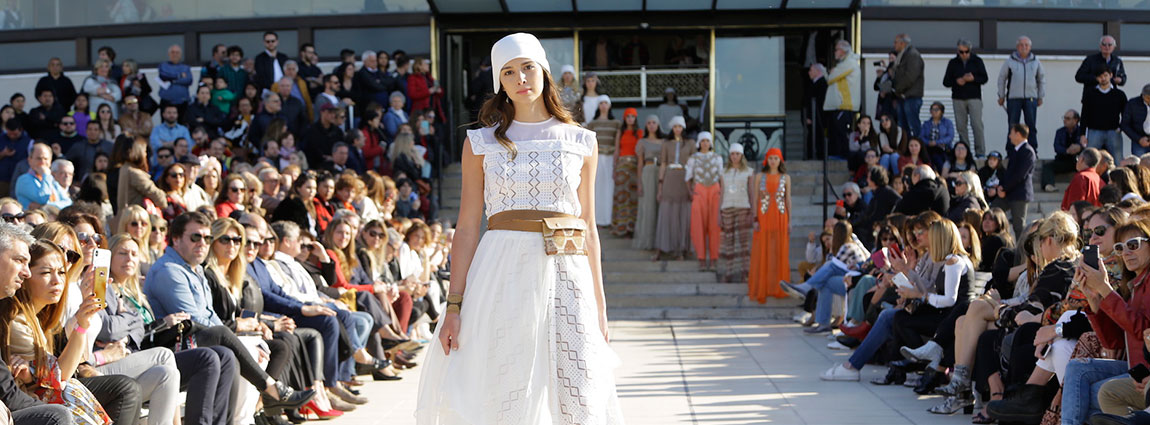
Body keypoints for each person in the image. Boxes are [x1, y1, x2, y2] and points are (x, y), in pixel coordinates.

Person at [414, 33, 623, 423]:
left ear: (543, 69)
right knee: (504, 383)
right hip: (502, 272)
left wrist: (600, 305)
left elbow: (590, 228)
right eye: (508, 71)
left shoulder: (581, 140)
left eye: (527, 66)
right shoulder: (480, 142)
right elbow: (466, 227)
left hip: (567, 273)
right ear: (499, 81)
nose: (520, 78)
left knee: (578, 389)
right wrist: (454, 306)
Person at [143, 212, 315, 413]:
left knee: (258, 347)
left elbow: (211, 316)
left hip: (201, 339)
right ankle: (271, 390)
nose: (202, 243)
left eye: (207, 238)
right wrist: (237, 340)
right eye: (195, 237)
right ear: (176, 239)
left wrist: (239, 340)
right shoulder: (169, 271)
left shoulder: (194, 269)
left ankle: (252, 411)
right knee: (231, 348)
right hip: (172, 346)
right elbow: (195, 320)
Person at [0, 240, 112, 425]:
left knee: (124, 386)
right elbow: (61, 376)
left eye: (61, 272)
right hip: (26, 407)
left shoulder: (37, 317)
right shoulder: (16, 322)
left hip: (38, 400)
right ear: (26, 278)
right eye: (46, 272)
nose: (57, 281)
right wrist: (81, 325)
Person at [747, 148, 790, 303]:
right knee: (763, 249)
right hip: (764, 215)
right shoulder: (760, 176)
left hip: (780, 216)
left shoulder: (785, 177)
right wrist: (755, 218)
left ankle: (778, 287)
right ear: (766, 160)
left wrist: (789, 220)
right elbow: (756, 198)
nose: (773, 161)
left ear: (780, 160)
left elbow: (787, 200)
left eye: (776, 158)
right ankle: (763, 287)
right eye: (771, 158)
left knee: (779, 250)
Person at [654, 116, 693, 261]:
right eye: (675, 126)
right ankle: (663, 248)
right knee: (667, 213)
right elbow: (663, 163)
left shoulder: (690, 144)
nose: (678, 129)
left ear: (683, 128)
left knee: (683, 214)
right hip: (669, 178)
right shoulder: (666, 143)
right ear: (672, 128)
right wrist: (660, 185)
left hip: (684, 178)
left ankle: (681, 249)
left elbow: (693, 164)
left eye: (680, 126)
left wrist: (692, 185)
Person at [997, 36, 1045, 150]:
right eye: (1021, 45)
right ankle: (1011, 151)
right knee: (1013, 126)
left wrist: (1040, 96)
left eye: (1026, 45)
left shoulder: (1036, 62)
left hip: (1031, 98)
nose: (1024, 47)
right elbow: (1002, 79)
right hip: (1014, 98)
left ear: (1030, 47)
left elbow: (1041, 79)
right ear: (1017, 47)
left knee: (1031, 126)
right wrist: (1001, 95)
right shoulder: (1009, 61)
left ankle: (1032, 150)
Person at [943, 39, 989, 157]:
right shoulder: (953, 63)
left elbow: (984, 78)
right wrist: (956, 81)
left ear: (970, 50)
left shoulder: (977, 61)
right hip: (958, 98)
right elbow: (946, 82)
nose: (963, 54)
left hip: (974, 97)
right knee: (961, 127)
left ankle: (980, 153)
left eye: (966, 51)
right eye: (961, 52)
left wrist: (973, 79)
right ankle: (965, 153)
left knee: (977, 125)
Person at [686, 131, 722, 271]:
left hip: (715, 191)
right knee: (698, 225)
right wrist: (691, 192)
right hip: (699, 190)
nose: (705, 143)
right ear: (699, 143)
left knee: (715, 226)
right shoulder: (693, 158)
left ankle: (713, 259)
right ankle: (701, 258)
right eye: (702, 141)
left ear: (710, 143)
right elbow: (688, 177)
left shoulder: (717, 158)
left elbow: (721, 177)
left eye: (707, 141)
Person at [718, 143, 753, 283]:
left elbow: (751, 192)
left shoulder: (749, 171)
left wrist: (753, 212)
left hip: (743, 207)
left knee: (743, 242)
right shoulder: (723, 172)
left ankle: (745, 272)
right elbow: (721, 193)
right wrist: (718, 212)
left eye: (737, 154)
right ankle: (728, 272)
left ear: (742, 155)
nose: (735, 156)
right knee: (728, 242)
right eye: (732, 154)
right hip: (726, 208)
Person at [585, 95, 620, 227]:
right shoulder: (592, 124)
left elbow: (617, 143)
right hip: (597, 158)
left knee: (609, 187)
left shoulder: (616, 123)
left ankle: (609, 219)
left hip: (610, 158)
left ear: (609, 105)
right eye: (601, 103)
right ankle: (597, 220)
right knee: (597, 188)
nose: (604, 105)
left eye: (606, 103)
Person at [823, 40, 860, 159]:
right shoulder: (844, 63)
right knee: (835, 131)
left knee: (841, 132)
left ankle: (843, 156)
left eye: (836, 49)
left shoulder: (849, 63)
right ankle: (836, 155)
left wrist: (827, 72)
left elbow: (830, 78)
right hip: (840, 106)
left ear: (843, 51)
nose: (835, 52)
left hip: (845, 105)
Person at [1082, 66, 1127, 159]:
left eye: (1105, 75)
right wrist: (1082, 134)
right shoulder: (1090, 93)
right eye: (1100, 76)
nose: (1103, 78)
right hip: (1094, 131)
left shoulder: (1119, 94)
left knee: (1118, 159)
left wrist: (1121, 127)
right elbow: (1084, 114)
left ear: (1111, 75)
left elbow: (1126, 113)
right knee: (1090, 159)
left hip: (1114, 131)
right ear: (1096, 78)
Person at [632, 115, 662, 251]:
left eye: (654, 122)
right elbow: (639, 164)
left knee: (660, 207)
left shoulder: (664, 142)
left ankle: (660, 240)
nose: (651, 125)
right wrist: (639, 182)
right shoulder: (642, 142)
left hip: (661, 173)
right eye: (649, 123)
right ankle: (647, 240)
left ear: (658, 125)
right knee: (648, 206)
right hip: (648, 172)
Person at [1001, 124, 1037, 238]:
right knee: (995, 212)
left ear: (1018, 134)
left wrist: (1005, 188)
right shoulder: (1015, 150)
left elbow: (1020, 175)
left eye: (1011, 133)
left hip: (1019, 194)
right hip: (1010, 192)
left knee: (1018, 226)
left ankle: (1021, 251)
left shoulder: (1027, 151)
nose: (1009, 136)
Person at [1040, 109, 1088, 193]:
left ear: (1075, 120)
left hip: (1078, 160)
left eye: (1068, 118)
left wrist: (1079, 148)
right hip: (1064, 159)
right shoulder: (1060, 132)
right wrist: (1067, 151)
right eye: (1064, 118)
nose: (1065, 120)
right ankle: (1049, 185)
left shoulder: (1082, 132)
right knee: (1047, 167)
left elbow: (1087, 146)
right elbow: (1056, 147)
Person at [610, 108, 641, 237]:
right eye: (628, 116)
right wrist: (614, 168)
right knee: (621, 196)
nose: (630, 119)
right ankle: (620, 227)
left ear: (635, 118)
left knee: (633, 198)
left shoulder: (639, 133)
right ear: (624, 118)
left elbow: (640, 152)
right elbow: (617, 150)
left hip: (634, 166)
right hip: (622, 166)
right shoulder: (620, 132)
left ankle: (631, 228)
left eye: (632, 116)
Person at [14, 143, 70, 210]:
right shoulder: (23, 180)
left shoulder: (51, 180)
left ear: (50, 161)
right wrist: (45, 175)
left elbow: (68, 202)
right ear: (30, 160)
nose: (42, 162)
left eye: (46, 159)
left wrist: (44, 206)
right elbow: (43, 199)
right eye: (39, 158)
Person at [892, 33, 924, 138]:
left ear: (902, 43)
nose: (894, 45)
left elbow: (910, 77)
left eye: (895, 42)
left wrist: (898, 89)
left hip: (911, 97)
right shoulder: (902, 55)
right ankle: (906, 149)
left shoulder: (912, 55)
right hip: (903, 96)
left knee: (913, 125)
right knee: (903, 127)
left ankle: (919, 150)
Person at [1075, 35, 1125, 101]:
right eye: (1104, 44)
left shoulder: (1117, 61)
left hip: (1111, 98)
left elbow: (1123, 76)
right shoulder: (1090, 60)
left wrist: (1121, 80)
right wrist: (1097, 79)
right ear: (1100, 46)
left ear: (1114, 47)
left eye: (1110, 45)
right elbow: (1079, 76)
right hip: (1092, 98)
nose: (1107, 47)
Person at [158, 45, 192, 118]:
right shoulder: (163, 65)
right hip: (166, 101)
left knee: (182, 125)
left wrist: (171, 80)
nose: (175, 54)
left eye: (177, 52)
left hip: (182, 102)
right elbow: (163, 76)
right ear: (169, 54)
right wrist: (179, 76)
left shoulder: (186, 67)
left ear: (180, 55)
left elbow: (188, 80)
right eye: (172, 52)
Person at [803, 64, 828, 159]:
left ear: (818, 71)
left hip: (817, 118)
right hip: (815, 117)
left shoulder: (821, 84)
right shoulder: (815, 83)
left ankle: (815, 156)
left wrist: (810, 116)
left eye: (811, 70)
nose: (809, 72)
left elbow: (817, 103)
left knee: (816, 138)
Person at [1121, 84, 1150, 157]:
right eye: (1148, 98)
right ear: (1143, 95)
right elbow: (1125, 124)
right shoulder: (1133, 104)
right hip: (1139, 141)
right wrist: (1138, 139)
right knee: (1139, 165)